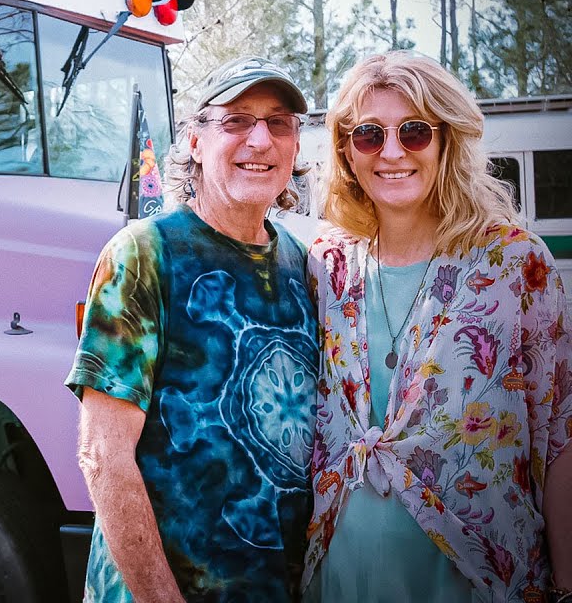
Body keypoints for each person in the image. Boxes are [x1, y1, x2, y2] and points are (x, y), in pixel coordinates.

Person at [303, 51, 571, 603]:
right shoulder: (327, 265)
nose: (392, 152)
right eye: (369, 135)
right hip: (342, 578)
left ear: (446, 140)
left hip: (474, 580)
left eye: (415, 131)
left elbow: (561, 434)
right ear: (347, 151)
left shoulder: (514, 264)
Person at [66, 56, 319, 602]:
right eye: (236, 121)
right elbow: (103, 455)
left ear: (296, 146)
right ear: (196, 141)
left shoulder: (302, 265)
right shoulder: (146, 253)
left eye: (279, 123)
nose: (260, 140)